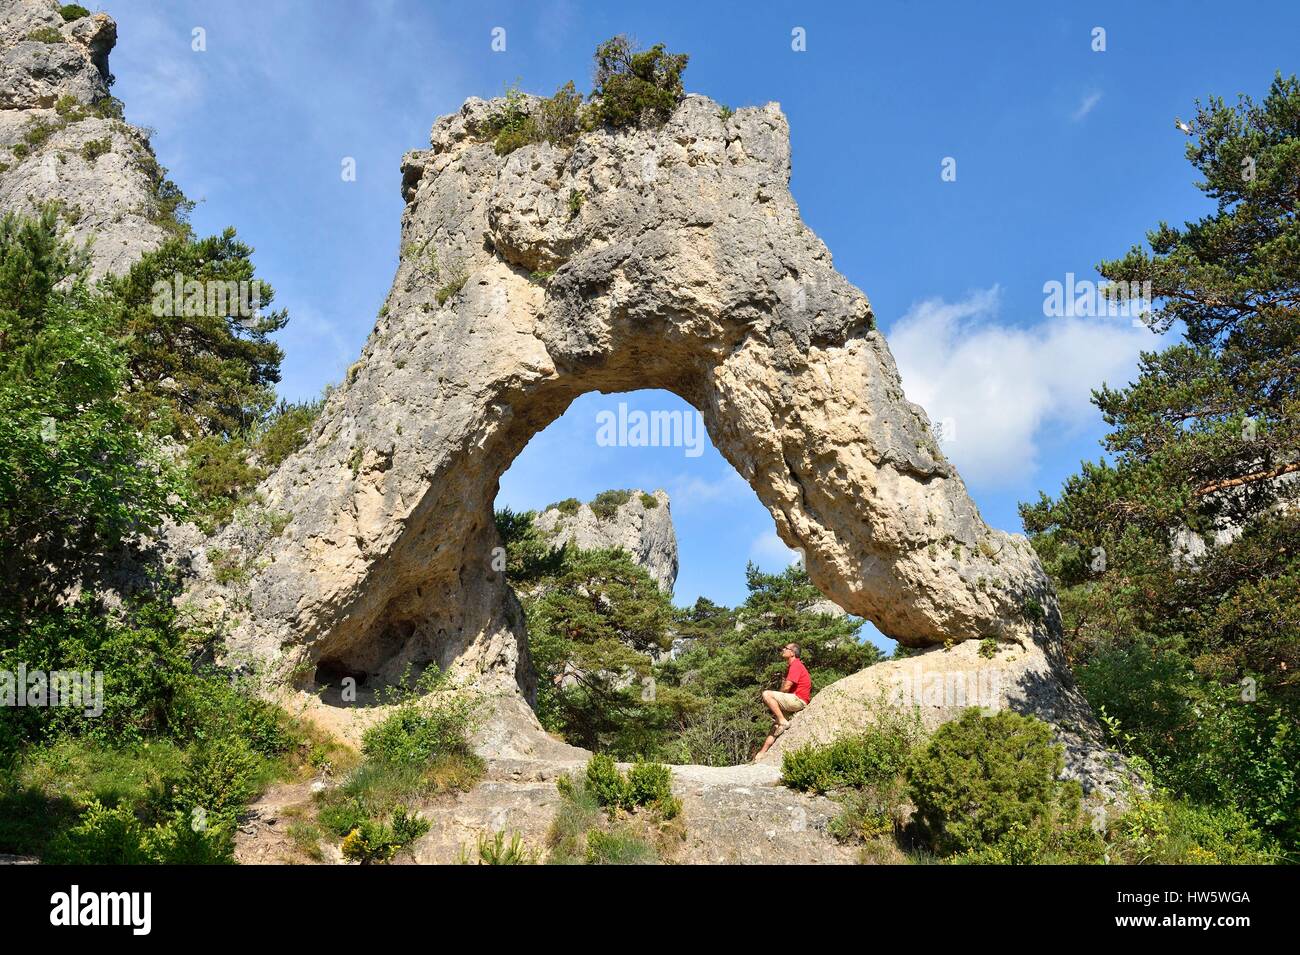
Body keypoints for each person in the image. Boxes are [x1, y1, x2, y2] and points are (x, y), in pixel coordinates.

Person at [754, 642, 812, 759]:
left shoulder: (796, 664)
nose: (783, 650)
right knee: (776, 726)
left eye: (786, 648)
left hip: (798, 700)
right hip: (795, 700)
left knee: (767, 694)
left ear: (792, 653)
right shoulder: (793, 665)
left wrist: (776, 699)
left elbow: (786, 687)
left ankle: (783, 721)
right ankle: (761, 753)